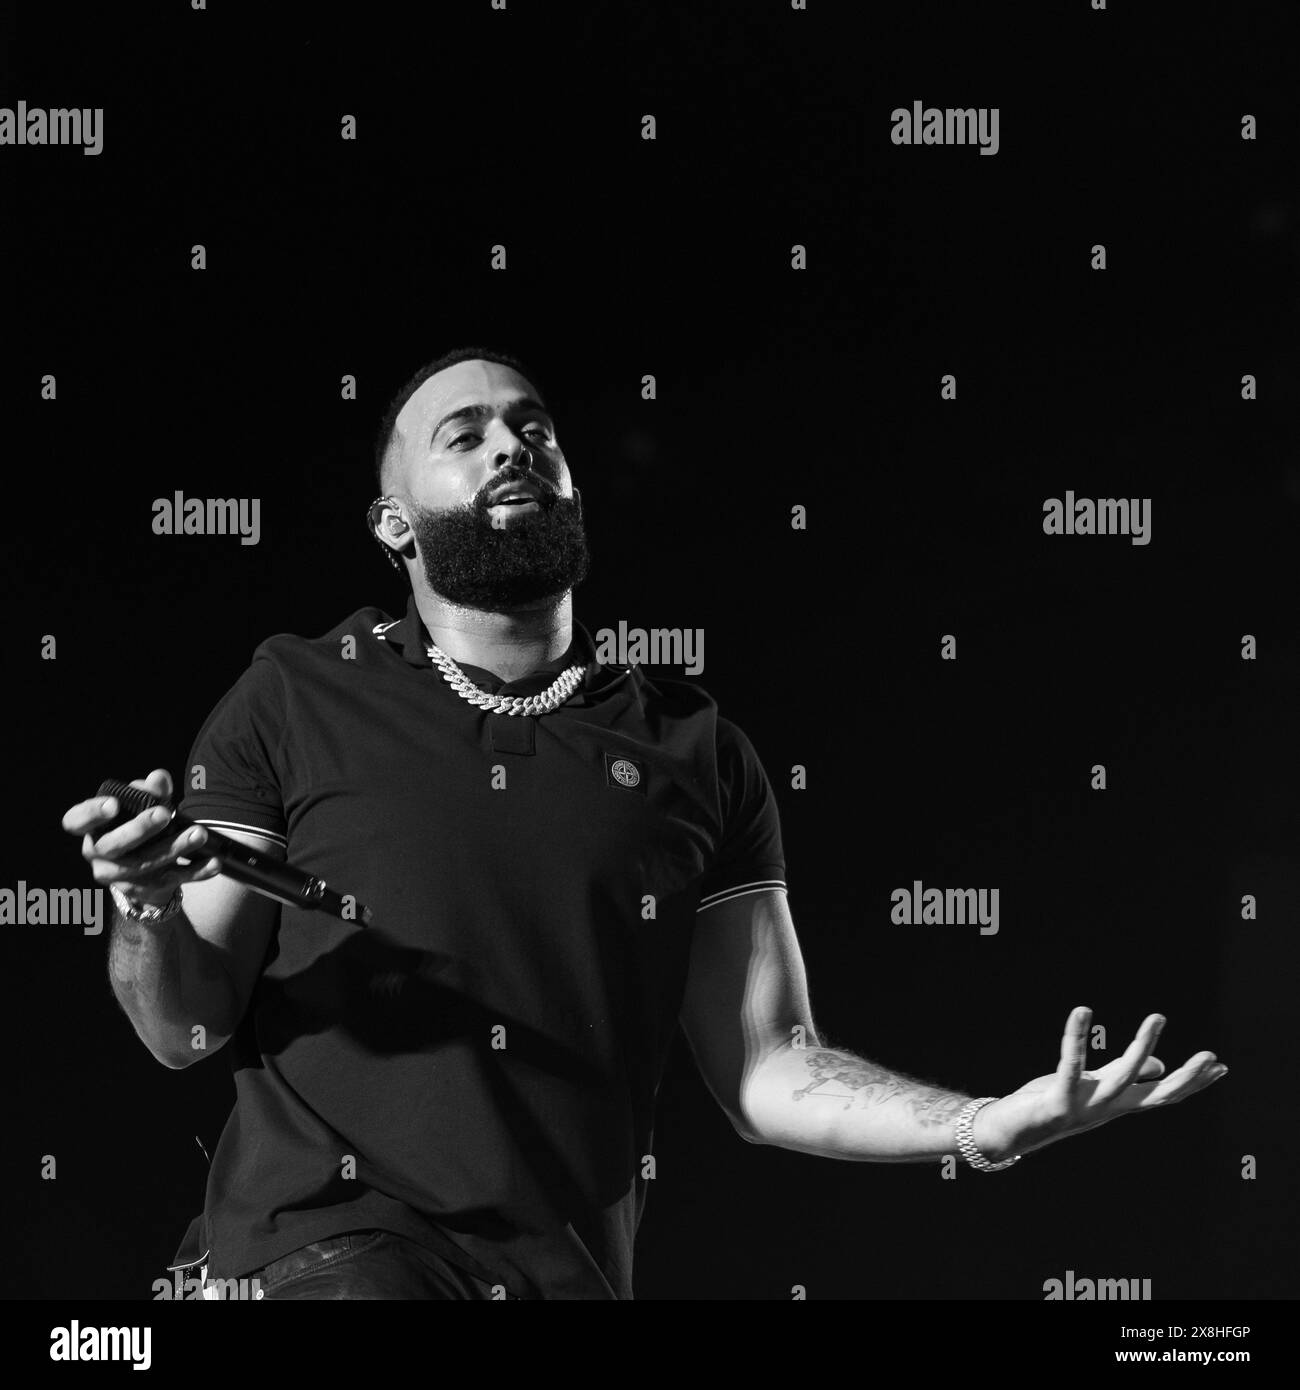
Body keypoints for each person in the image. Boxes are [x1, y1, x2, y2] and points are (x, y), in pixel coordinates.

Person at [62, 347, 1229, 1301]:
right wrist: (146, 900)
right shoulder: (298, 695)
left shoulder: (693, 748)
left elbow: (770, 1067)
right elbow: (184, 1029)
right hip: (320, 1256)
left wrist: (985, 1123)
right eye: (462, 436)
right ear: (396, 525)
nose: (512, 443)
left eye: (533, 428)